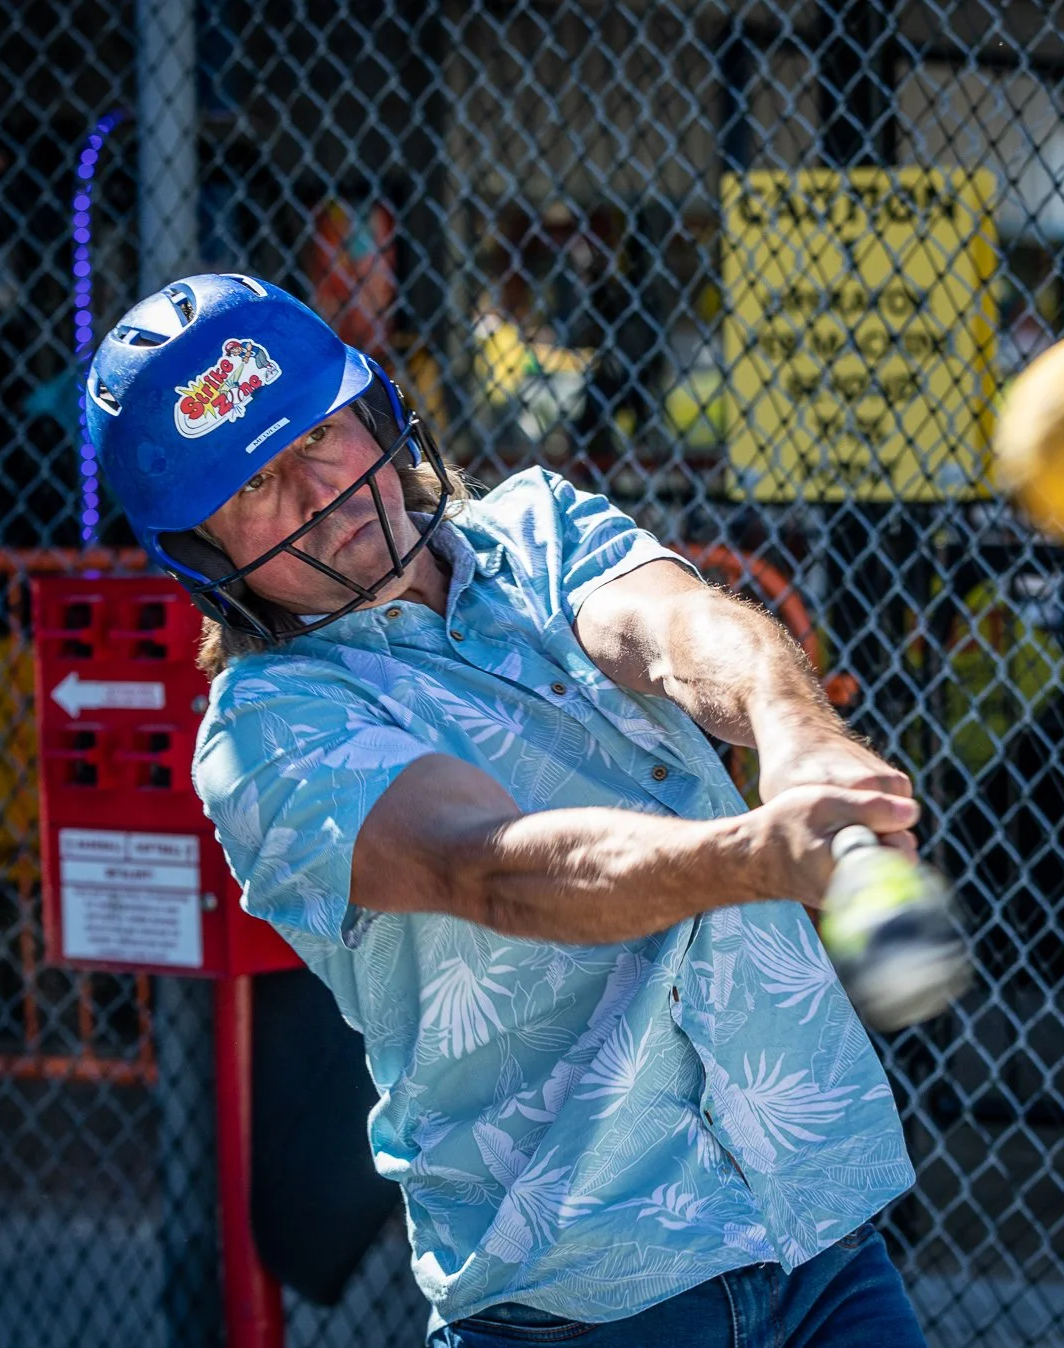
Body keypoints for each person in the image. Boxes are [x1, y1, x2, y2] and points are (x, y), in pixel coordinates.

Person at [89, 273, 929, 1346]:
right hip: (591, 1293)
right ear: (206, 556)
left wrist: (792, 731)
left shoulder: (531, 527)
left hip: (816, 1223)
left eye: (319, 437)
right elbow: (490, 867)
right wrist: (755, 854)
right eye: (255, 486)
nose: (317, 491)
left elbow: (672, 630)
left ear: (375, 416)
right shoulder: (265, 732)